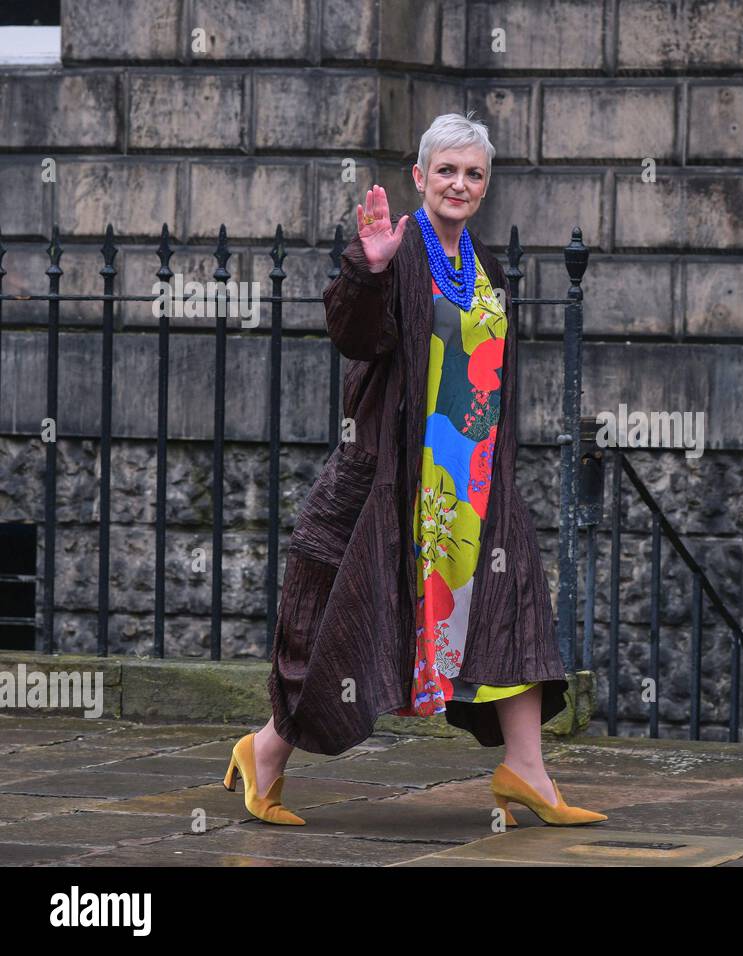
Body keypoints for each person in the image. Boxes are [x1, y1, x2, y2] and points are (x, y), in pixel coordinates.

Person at [223, 112, 606, 828]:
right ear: (421, 177)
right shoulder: (396, 251)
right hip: (394, 483)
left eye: (474, 173)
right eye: (447, 171)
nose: (460, 184)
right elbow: (353, 335)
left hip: (474, 485)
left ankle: (526, 770)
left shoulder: (484, 263)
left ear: (485, 185)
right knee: (352, 633)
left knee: (514, 612)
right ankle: (266, 750)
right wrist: (366, 271)